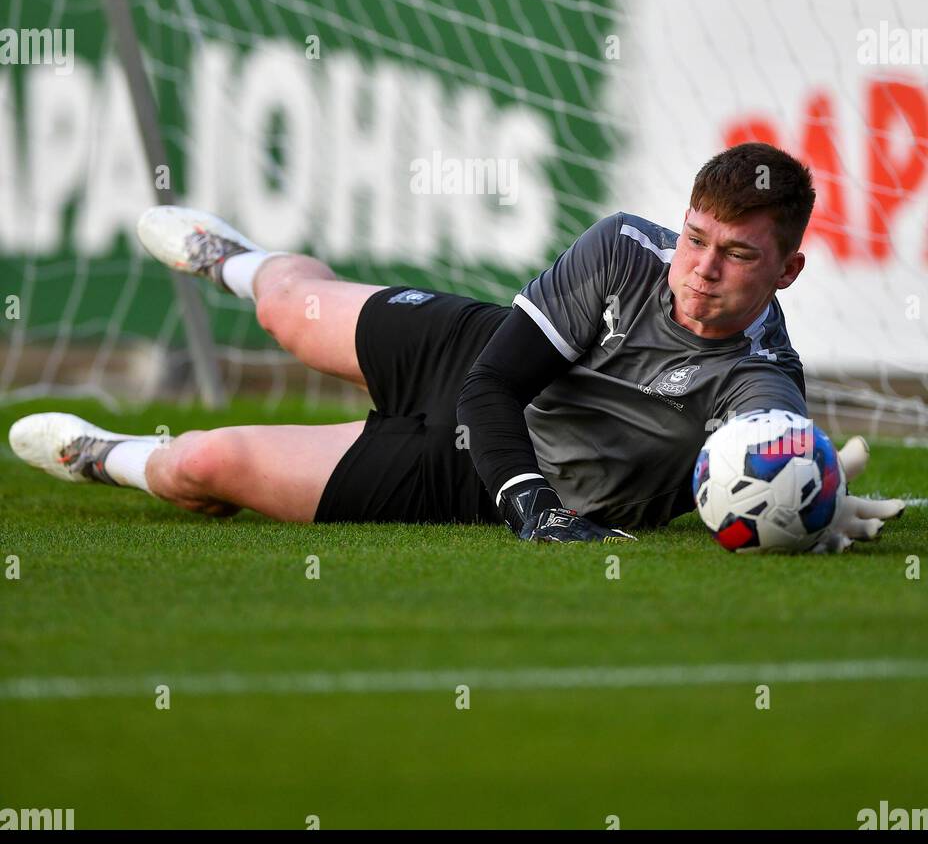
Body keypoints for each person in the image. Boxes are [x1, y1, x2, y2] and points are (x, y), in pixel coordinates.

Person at [9, 142, 903, 551]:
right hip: (476, 362)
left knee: (205, 465)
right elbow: (492, 384)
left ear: (786, 271)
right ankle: (233, 259)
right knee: (290, 308)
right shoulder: (625, 249)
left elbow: (768, 444)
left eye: (737, 255)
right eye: (696, 238)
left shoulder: (761, 382)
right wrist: (535, 513)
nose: (701, 269)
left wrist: (804, 495)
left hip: (462, 478)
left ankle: (110, 455)